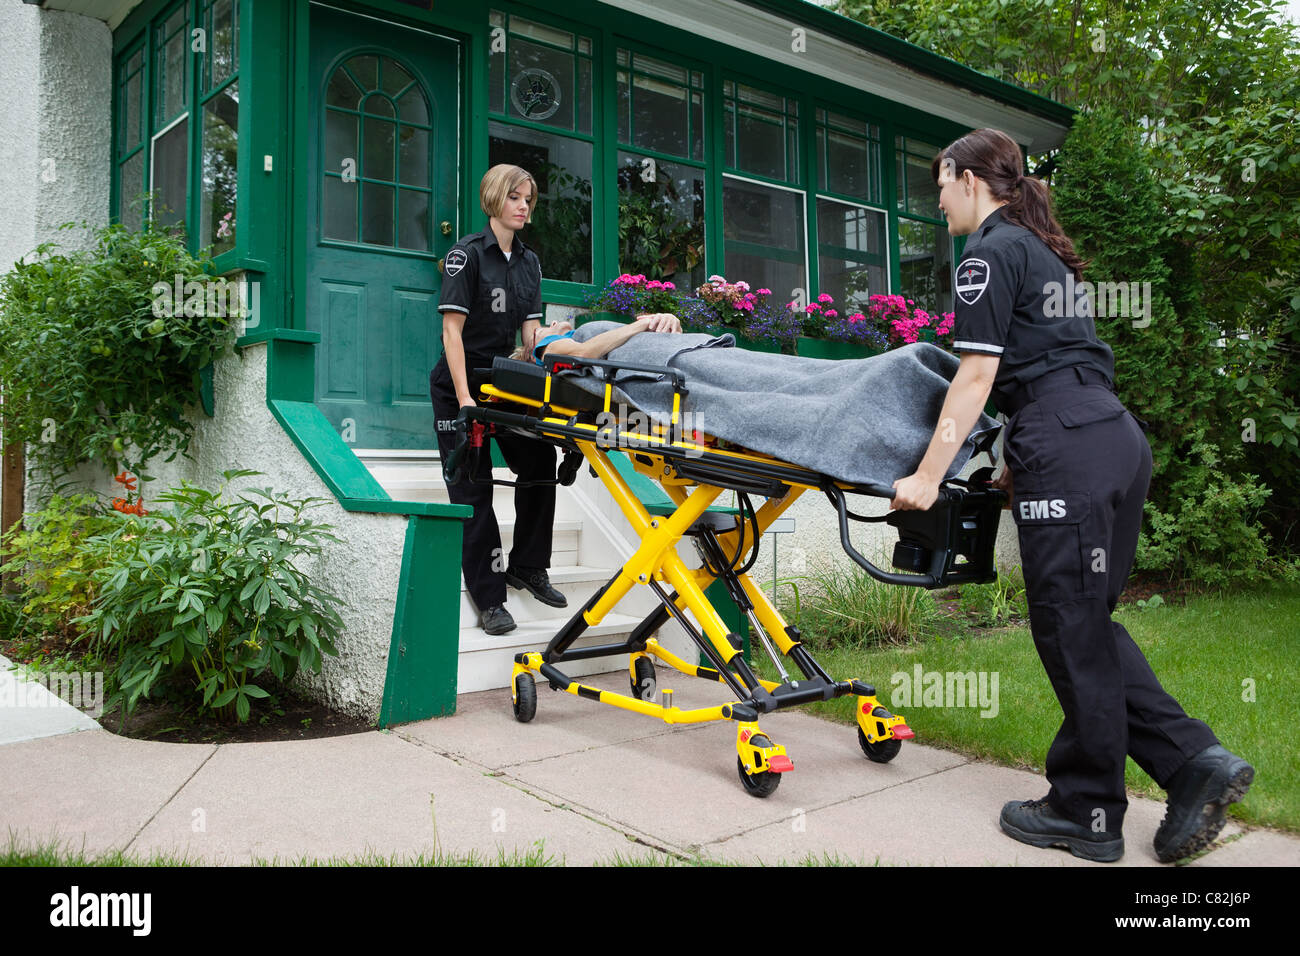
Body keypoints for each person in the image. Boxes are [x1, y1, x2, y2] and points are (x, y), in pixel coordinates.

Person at [890, 129, 1253, 864]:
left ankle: (1085, 810)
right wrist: (1023, 458)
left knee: (1066, 626)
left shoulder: (988, 251)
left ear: (967, 179)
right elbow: (1057, 366)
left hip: (1068, 443)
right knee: (1086, 623)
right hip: (1112, 438)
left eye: (940, 186)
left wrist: (930, 474)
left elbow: (976, 374)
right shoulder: (1044, 250)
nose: (937, 202)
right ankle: (1193, 765)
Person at [431, 164, 564, 637]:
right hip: (459, 384)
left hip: (505, 381)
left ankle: (528, 566)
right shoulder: (465, 257)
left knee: (540, 457)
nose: (524, 205)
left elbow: (528, 334)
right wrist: (466, 399)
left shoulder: (529, 263)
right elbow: (452, 331)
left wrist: (556, 341)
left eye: (528, 198)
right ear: (494, 199)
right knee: (474, 486)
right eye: (515, 197)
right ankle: (490, 599)